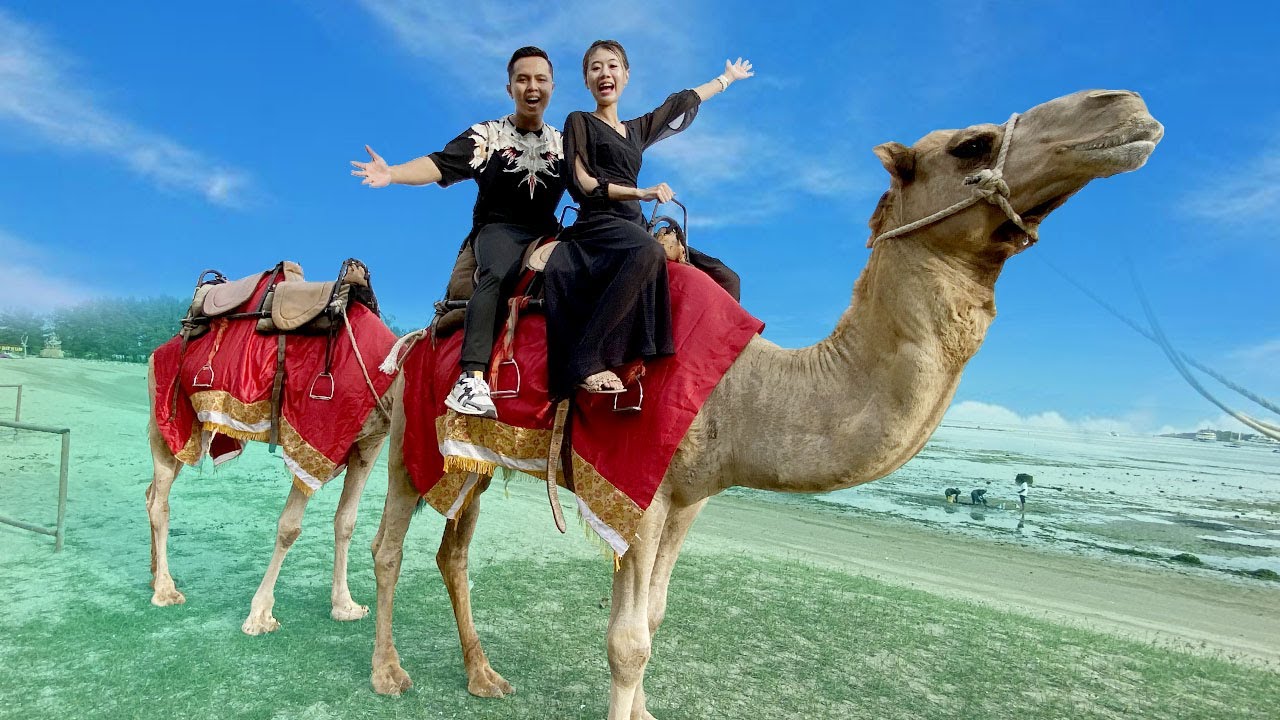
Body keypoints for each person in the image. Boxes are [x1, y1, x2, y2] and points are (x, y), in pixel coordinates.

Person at [351, 47, 565, 418]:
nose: (532, 86)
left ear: (552, 87)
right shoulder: (488, 136)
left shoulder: (564, 144)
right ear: (510, 88)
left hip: (547, 232)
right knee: (497, 273)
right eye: (522, 79)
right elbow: (439, 163)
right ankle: (471, 379)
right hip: (498, 229)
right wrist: (393, 173)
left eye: (540, 79)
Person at [544, 39, 753, 397]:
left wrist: (726, 79)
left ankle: (705, 368)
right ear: (586, 80)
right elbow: (584, 183)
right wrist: (639, 193)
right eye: (595, 67)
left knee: (725, 277)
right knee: (648, 252)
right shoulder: (579, 121)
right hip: (599, 224)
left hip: (635, 226)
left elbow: (677, 104)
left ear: (626, 75)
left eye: (612, 65)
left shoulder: (636, 131)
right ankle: (585, 360)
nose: (604, 73)